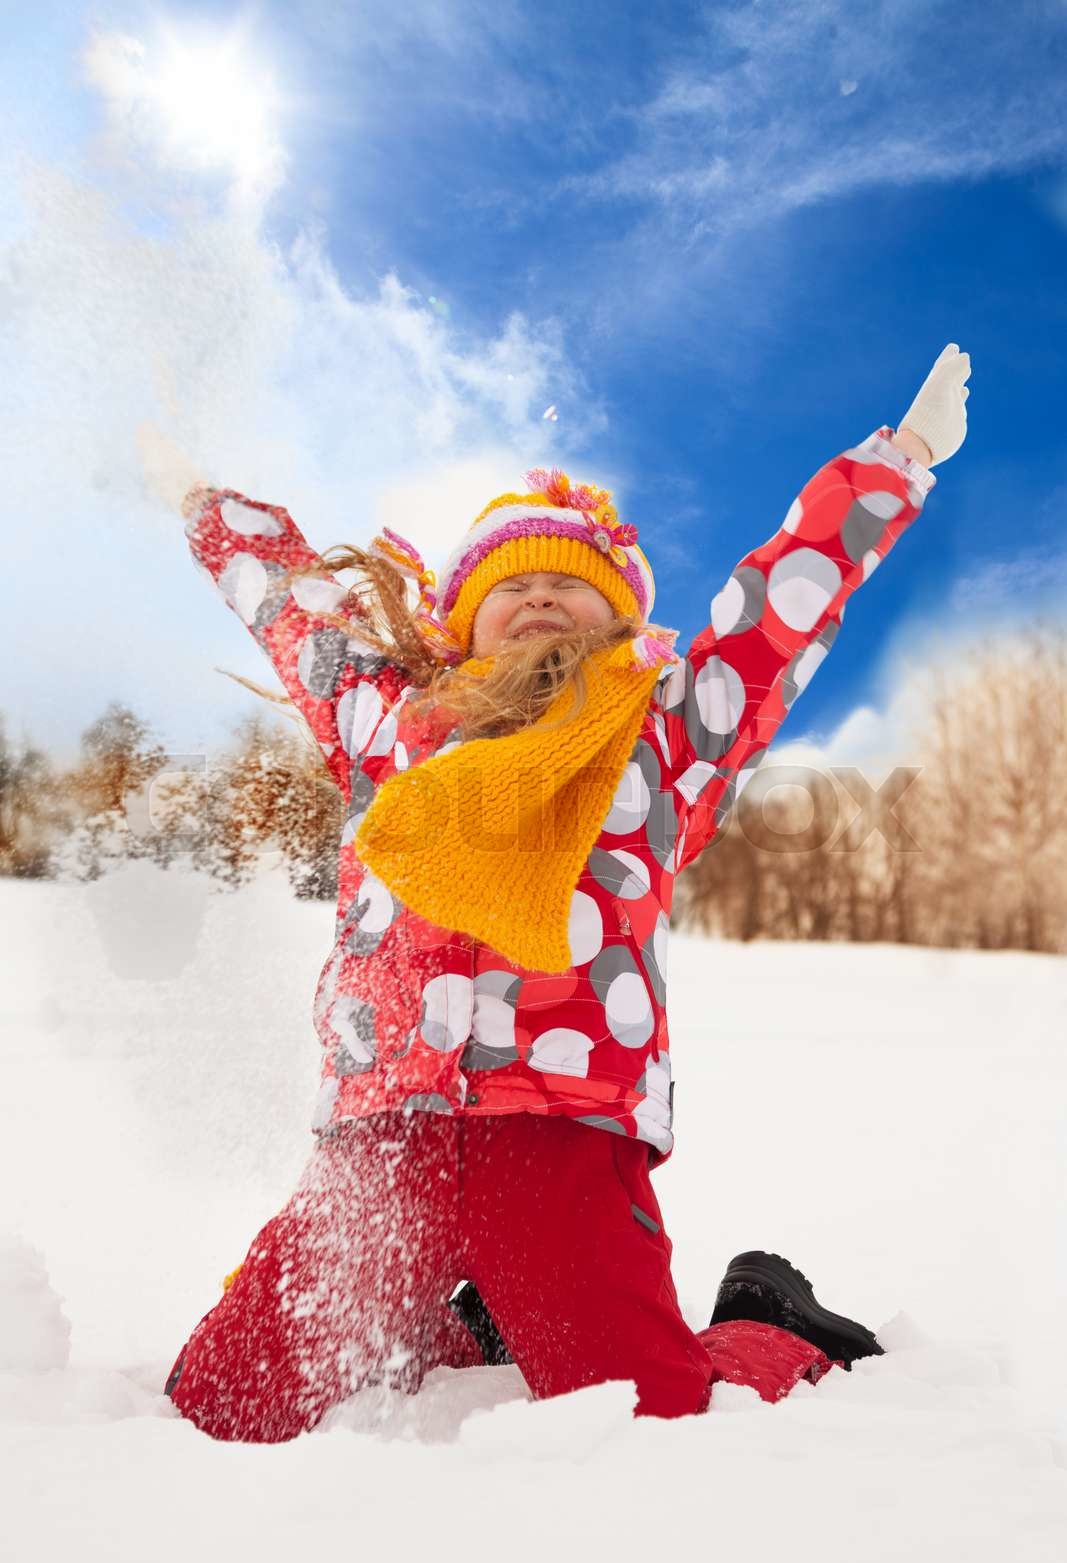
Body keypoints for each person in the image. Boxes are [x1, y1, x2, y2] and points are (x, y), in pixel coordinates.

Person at [158, 344, 971, 1442]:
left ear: (614, 625)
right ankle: (474, 1318)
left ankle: (774, 1326)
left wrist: (898, 460)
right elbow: (297, 614)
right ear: (462, 623)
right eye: (513, 586)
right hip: (376, 1144)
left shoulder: (664, 739)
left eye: (569, 587)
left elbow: (774, 612)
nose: (540, 596)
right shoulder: (393, 726)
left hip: (559, 1138)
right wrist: (203, 503)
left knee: (653, 1411)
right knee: (221, 1404)